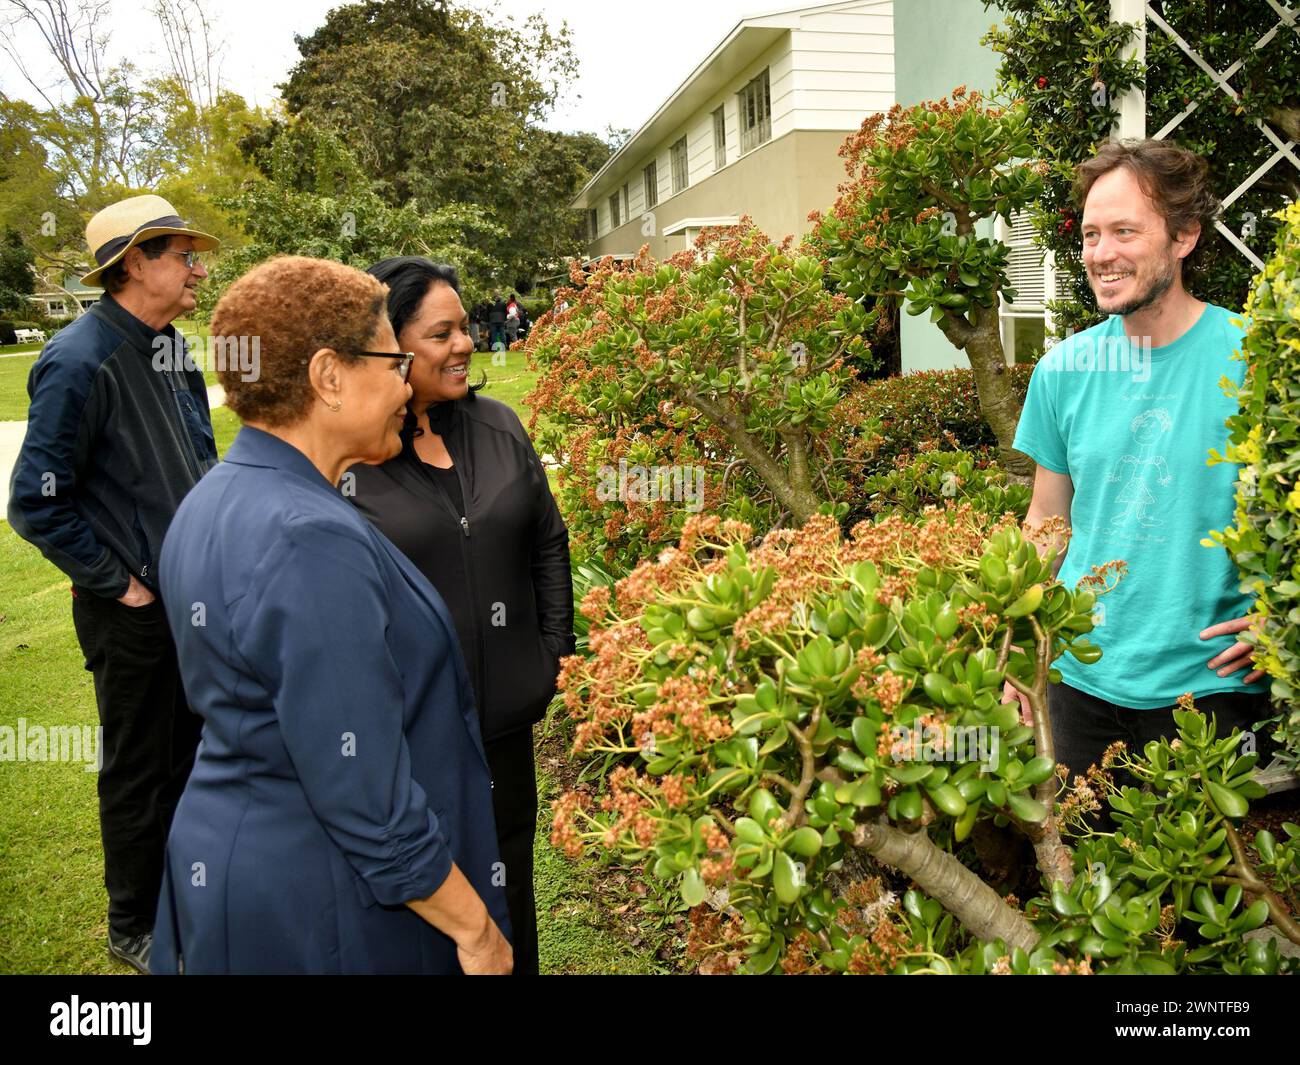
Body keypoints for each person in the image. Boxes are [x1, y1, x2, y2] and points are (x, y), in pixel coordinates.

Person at [151, 256, 512, 974]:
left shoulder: (214, 498)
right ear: (329, 376)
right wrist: (475, 930)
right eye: (391, 360)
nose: (407, 381)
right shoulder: (307, 536)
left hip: (234, 871)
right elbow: (365, 795)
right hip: (329, 912)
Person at [1010, 139, 1271, 783]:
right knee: (1082, 871)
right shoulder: (1063, 370)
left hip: (1214, 688)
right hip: (1078, 681)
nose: (1101, 253)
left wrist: (1285, 617)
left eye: (1124, 231)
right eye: (1092, 234)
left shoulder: (1257, 359)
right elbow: (1048, 521)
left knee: (1202, 878)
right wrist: (1016, 649)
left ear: (1184, 236)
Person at [7, 194, 220, 973]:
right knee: (141, 770)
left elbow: (197, 464)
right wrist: (122, 585)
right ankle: (133, 923)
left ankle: (186, 895)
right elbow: (35, 502)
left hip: (190, 603)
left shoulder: (170, 349)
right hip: (132, 615)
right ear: (135, 263)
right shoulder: (76, 357)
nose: (199, 268)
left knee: (196, 754)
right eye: (182, 255)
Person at [348, 256, 574, 975]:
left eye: (464, 327)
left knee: (510, 882)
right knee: (427, 894)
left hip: (505, 725)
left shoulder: (499, 426)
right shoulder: (355, 458)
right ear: (391, 344)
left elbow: (548, 538)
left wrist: (552, 652)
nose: (464, 343)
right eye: (440, 332)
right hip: (414, 736)